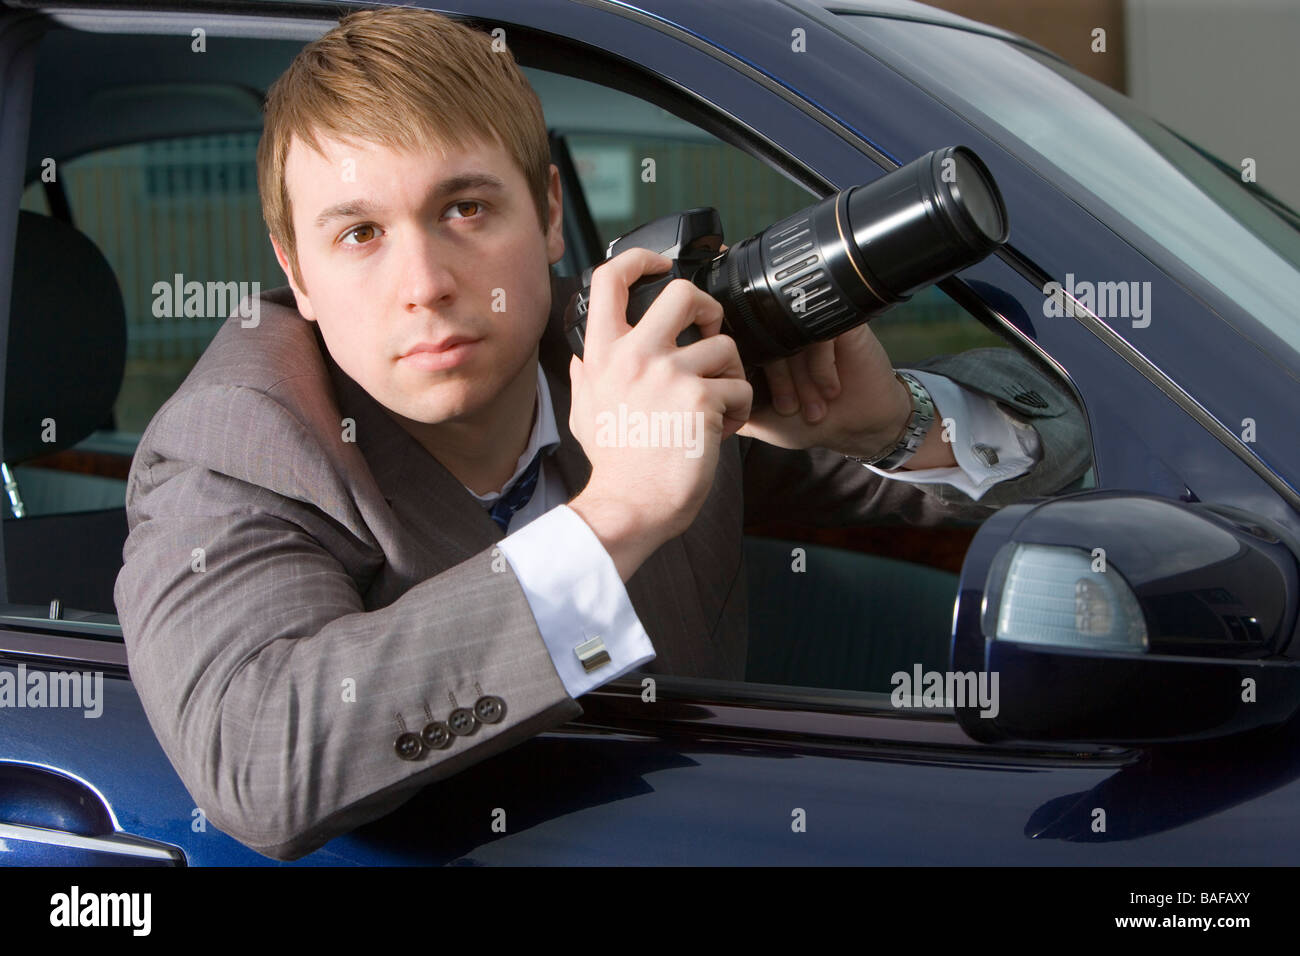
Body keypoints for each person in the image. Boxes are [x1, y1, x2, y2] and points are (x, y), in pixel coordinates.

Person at [113, 6, 1089, 861]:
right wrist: (613, 514)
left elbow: (1057, 466)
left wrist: (891, 422)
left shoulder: (628, 349)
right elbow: (259, 763)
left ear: (545, 215)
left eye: (464, 208)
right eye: (359, 234)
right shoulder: (234, 440)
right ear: (296, 269)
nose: (424, 284)